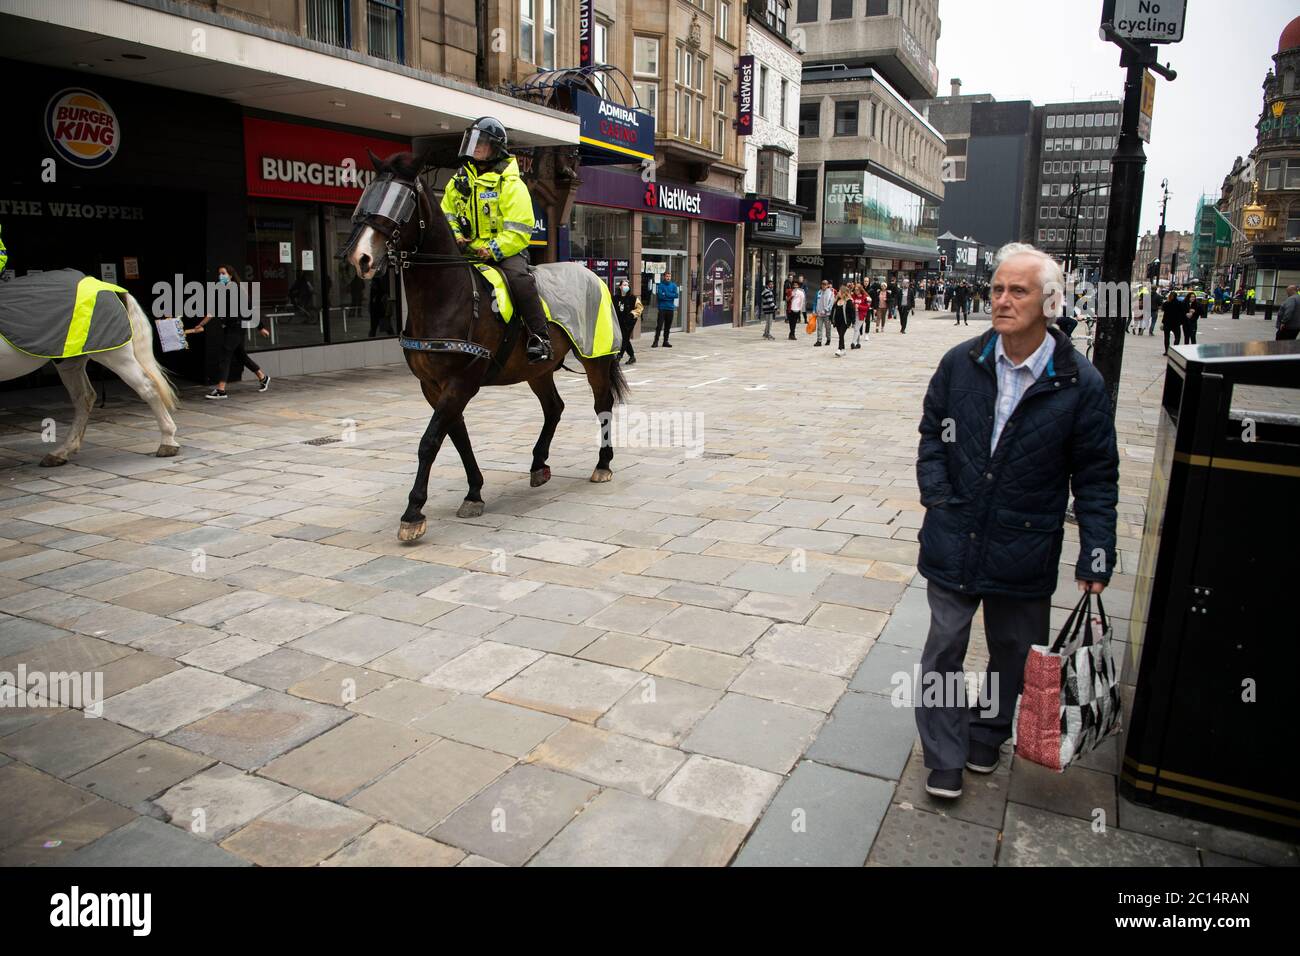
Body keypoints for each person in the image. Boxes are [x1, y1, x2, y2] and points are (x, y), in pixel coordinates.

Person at [914, 241, 1118, 800]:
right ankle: (944, 754)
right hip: (954, 532)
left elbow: (1097, 474)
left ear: (1050, 302)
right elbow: (933, 431)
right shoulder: (962, 361)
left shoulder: (1081, 384)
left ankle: (988, 731)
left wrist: (1097, 550)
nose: (1001, 300)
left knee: (1013, 651)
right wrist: (936, 494)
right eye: (998, 288)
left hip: (1026, 542)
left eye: (1017, 291)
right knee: (943, 648)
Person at [441, 116, 551, 364]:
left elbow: (520, 229)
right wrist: (457, 235)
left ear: (496, 147)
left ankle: (539, 337)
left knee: (520, 281)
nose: (475, 147)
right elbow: (447, 212)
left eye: (482, 142)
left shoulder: (511, 183)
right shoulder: (457, 182)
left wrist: (492, 249)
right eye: (473, 141)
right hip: (466, 250)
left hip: (505, 252)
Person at [187, 264, 271, 399]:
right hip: (228, 328)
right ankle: (263, 377)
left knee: (225, 356)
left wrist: (260, 327)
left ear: (230, 275)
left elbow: (249, 310)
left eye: (223, 273)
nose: (221, 276)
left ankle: (221, 390)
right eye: (219, 273)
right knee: (241, 355)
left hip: (236, 327)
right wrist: (200, 324)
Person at [613, 278, 642, 365]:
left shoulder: (632, 298)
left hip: (629, 322)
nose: (626, 286)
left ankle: (619, 356)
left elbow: (640, 308)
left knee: (624, 338)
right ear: (620, 287)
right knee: (625, 339)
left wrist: (632, 314)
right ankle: (632, 356)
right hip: (619, 321)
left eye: (627, 285)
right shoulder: (615, 298)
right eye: (624, 285)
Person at [652, 271, 679, 348]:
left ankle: (665, 341)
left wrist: (666, 294)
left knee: (668, 326)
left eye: (669, 276)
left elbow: (676, 295)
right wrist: (670, 296)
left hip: (670, 308)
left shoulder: (673, 285)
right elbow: (660, 296)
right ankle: (655, 341)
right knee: (659, 326)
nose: (668, 278)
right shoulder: (660, 285)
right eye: (667, 276)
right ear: (664, 277)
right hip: (662, 308)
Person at [830, 285, 854, 357]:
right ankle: (843, 349)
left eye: (839, 291)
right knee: (841, 335)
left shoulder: (848, 301)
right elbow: (833, 311)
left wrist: (853, 321)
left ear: (843, 293)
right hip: (837, 322)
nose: (838, 293)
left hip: (845, 322)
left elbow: (852, 312)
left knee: (841, 335)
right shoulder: (837, 301)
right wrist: (831, 319)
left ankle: (839, 349)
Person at [1161, 290, 1186, 354]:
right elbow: (1183, 313)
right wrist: (1181, 322)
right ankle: (1174, 350)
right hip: (1176, 323)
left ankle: (1167, 351)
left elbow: (1163, 310)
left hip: (1167, 323)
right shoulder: (1180, 303)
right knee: (1177, 337)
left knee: (1166, 337)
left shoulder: (1166, 303)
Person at [813, 279, 835, 347]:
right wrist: (814, 310)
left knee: (827, 328)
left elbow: (831, 304)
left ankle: (828, 339)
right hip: (819, 314)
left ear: (828, 285)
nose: (823, 285)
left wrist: (826, 310)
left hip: (827, 314)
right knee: (819, 328)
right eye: (822, 284)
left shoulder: (831, 293)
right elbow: (815, 302)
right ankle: (819, 341)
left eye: (825, 284)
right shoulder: (818, 292)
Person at [850, 283, 870, 349]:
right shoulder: (853, 296)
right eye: (855, 289)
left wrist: (859, 306)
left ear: (860, 290)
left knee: (856, 328)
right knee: (857, 329)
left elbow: (867, 308)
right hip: (854, 314)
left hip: (861, 315)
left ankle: (853, 342)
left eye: (857, 290)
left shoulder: (865, 297)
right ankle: (858, 343)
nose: (856, 291)